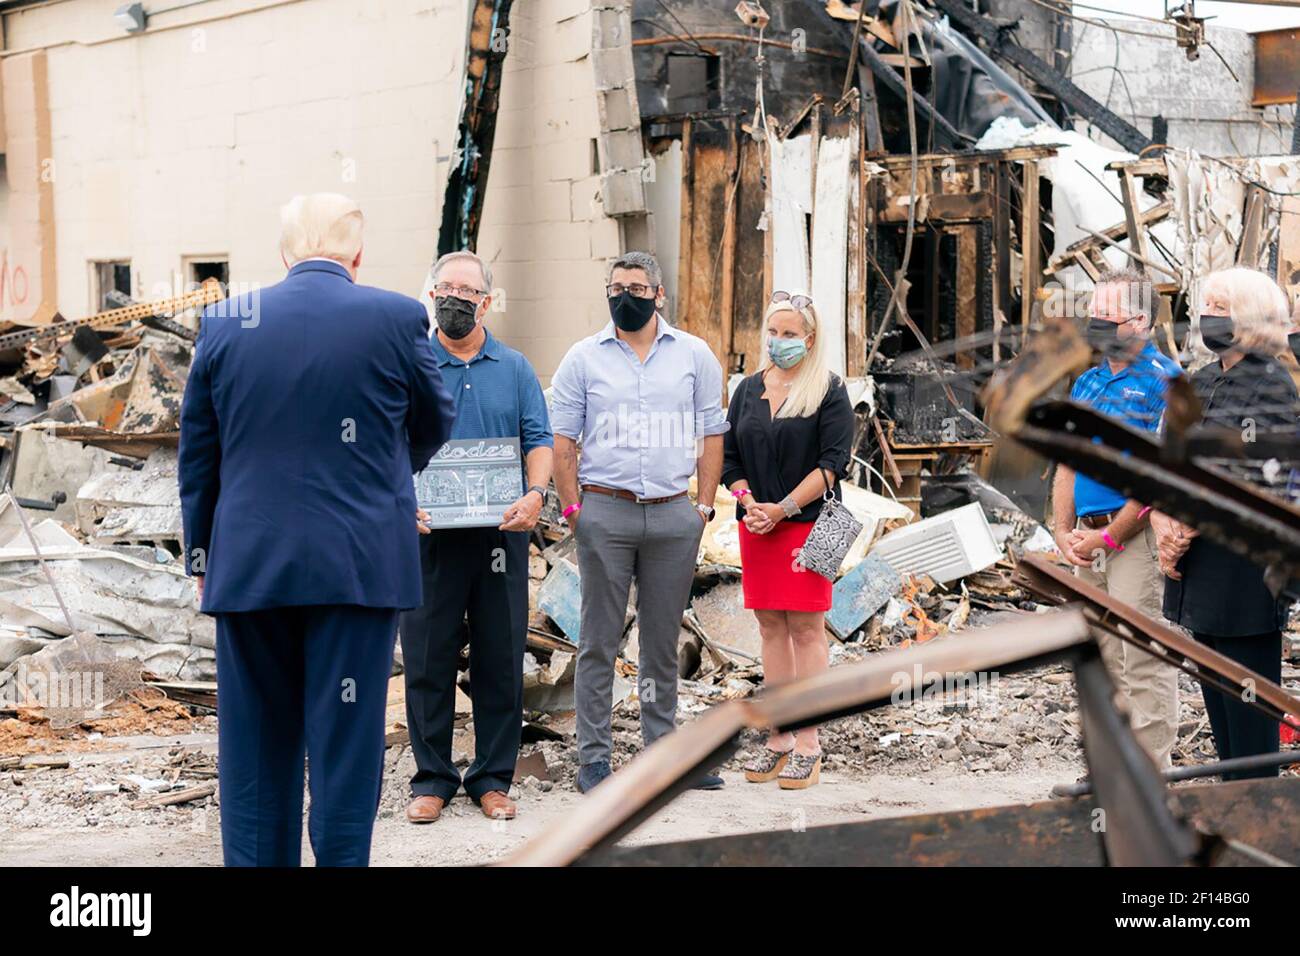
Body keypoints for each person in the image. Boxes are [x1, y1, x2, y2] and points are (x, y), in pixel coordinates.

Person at [178, 193, 456, 866]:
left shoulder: (223, 322)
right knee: (345, 742)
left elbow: (199, 453)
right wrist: (386, 473)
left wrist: (201, 556)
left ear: (283, 254)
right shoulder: (395, 317)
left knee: (253, 746)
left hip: (249, 568)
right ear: (357, 256)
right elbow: (435, 419)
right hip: (358, 565)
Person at [550, 251, 729, 793]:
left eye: (636, 286)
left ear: (659, 295)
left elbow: (712, 434)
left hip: (674, 515)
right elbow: (563, 442)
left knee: (659, 644)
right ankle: (595, 761)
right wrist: (575, 510)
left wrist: (701, 507)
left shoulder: (694, 356)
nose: (625, 295)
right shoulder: (582, 359)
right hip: (605, 510)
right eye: (616, 286)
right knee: (599, 641)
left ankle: (661, 756)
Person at [400, 251, 553, 825]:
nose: (454, 299)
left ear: (487, 301)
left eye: (467, 291)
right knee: (426, 659)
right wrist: (400, 500)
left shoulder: (514, 368)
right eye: (444, 289)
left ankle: (492, 779)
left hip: (501, 536)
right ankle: (433, 779)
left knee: (499, 658)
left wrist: (536, 495)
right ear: (431, 295)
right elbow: (391, 443)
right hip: (429, 536)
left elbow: (538, 438)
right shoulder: (411, 366)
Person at [1152, 267, 1299, 780]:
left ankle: (1260, 818)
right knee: (1217, 695)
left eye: (1219, 308)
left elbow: (1267, 479)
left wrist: (1191, 520)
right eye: (1204, 306)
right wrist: (1168, 524)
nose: (1205, 316)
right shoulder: (1201, 379)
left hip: (1245, 570)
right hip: (1197, 565)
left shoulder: (1273, 384)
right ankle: (1232, 803)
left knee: (1249, 702)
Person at [1050, 267, 1182, 767]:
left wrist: (1111, 536)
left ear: (1141, 321)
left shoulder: (1165, 382)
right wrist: (1064, 531)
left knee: (1142, 657)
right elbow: (1066, 462)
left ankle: (1151, 776)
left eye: (1109, 315)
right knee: (1102, 658)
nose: (1097, 323)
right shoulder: (1086, 382)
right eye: (1094, 314)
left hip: (1136, 540)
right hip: (1087, 538)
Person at [722, 292, 854, 789]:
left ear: (810, 339)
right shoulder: (747, 389)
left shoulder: (828, 390)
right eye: (773, 332)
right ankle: (778, 736)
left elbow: (832, 464)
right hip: (757, 526)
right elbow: (730, 456)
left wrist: (782, 509)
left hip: (807, 526)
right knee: (770, 630)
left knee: (806, 630)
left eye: (790, 334)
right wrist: (749, 500)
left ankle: (809, 742)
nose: (779, 342)